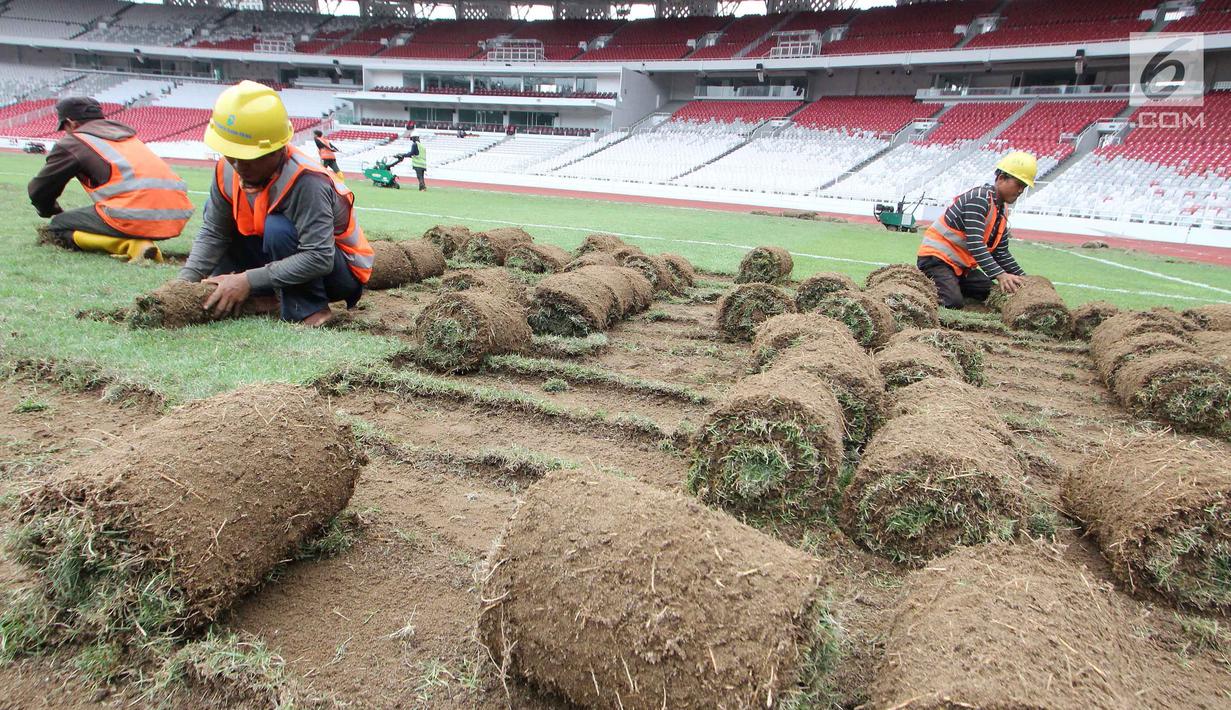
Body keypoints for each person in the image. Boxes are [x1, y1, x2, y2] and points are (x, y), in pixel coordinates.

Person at [179, 81, 374, 327]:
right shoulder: (226, 171)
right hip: (276, 256)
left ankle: (309, 310)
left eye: (249, 159)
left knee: (279, 227)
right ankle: (260, 296)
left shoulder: (307, 182)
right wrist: (185, 283)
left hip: (337, 272)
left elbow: (319, 256)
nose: (239, 167)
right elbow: (214, 233)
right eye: (232, 156)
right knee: (216, 211)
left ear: (277, 150)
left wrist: (247, 280)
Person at [28, 96, 193, 262]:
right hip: (175, 218)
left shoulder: (75, 142)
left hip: (135, 216)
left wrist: (49, 211)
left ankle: (129, 245)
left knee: (59, 225)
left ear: (70, 123)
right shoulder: (128, 138)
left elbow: (41, 189)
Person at [916, 151, 1036, 309]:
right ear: (1001, 179)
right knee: (952, 302)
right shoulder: (979, 198)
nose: (1021, 190)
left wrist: (1026, 281)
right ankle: (924, 287)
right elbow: (975, 244)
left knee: (993, 293)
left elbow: (1001, 252)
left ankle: (952, 286)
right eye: (1018, 184)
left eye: (1024, 186)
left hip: (961, 268)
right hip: (937, 260)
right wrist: (1000, 275)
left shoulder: (1002, 209)